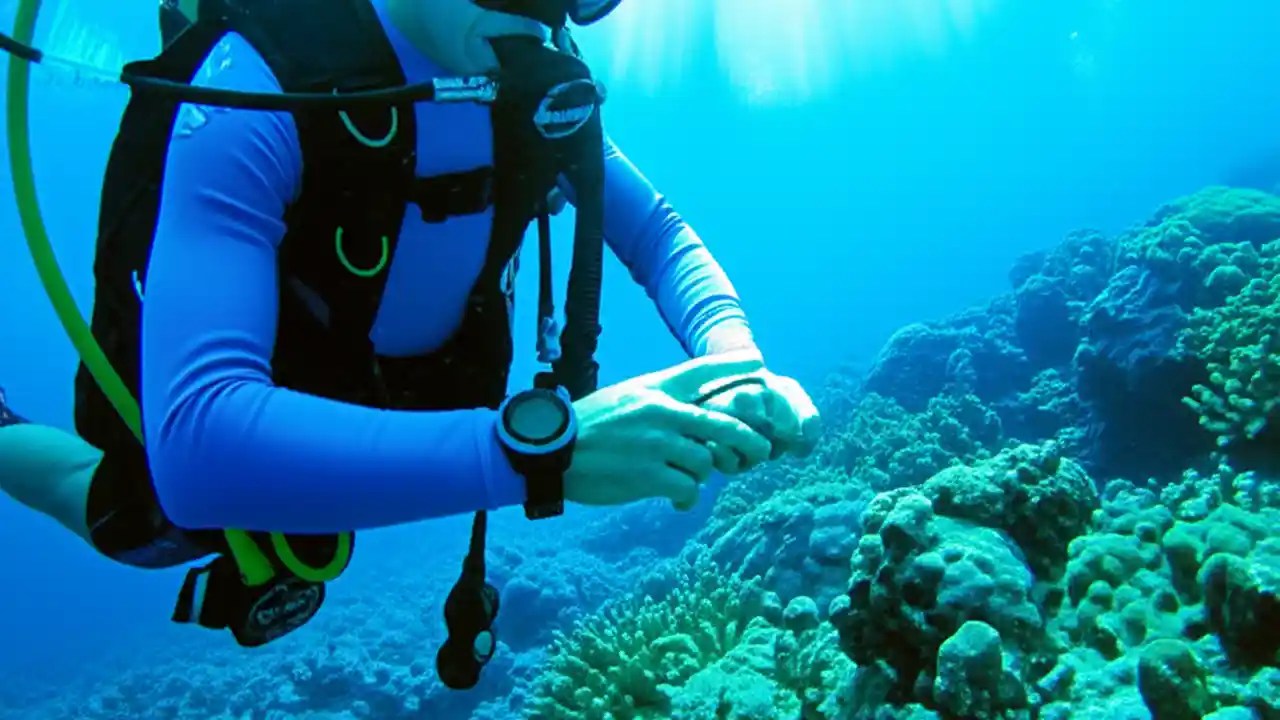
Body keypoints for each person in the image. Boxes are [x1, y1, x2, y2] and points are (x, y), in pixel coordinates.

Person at [0, 0, 820, 686]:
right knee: (138, 522)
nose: (539, 18)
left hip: (423, 391)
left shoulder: (524, 75)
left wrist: (734, 357)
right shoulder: (258, 83)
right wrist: (541, 460)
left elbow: (659, 233)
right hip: (258, 404)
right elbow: (198, 448)